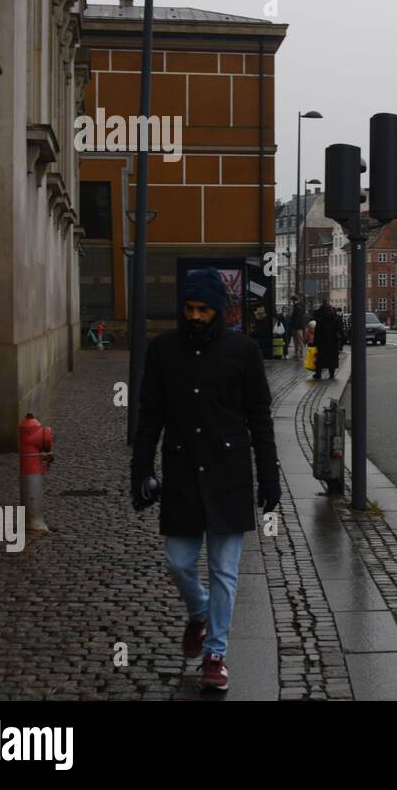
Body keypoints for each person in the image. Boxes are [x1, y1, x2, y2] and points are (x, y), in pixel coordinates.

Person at [130, 268, 281, 692]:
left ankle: (215, 653)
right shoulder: (163, 351)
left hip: (229, 474)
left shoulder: (244, 351)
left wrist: (269, 478)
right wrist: (141, 470)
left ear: (219, 310)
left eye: (203, 309)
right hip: (181, 473)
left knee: (224, 571)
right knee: (177, 561)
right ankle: (198, 612)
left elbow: (259, 418)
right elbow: (149, 417)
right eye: (189, 308)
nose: (194, 316)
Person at [313, 302, 345, 381]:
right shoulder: (336, 319)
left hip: (322, 343)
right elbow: (341, 331)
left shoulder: (320, 320)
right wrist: (342, 341)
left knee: (320, 359)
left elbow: (317, 332)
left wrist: (314, 343)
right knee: (332, 360)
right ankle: (331, 374)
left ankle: (318, 374)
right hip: (333, 342)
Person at [287, 295, 306, 362]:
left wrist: (294, 327)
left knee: (299, 341)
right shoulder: (297, 306)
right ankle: (297, 354)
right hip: (297, 327)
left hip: (297, 327)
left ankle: (300, 354)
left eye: (292, 300)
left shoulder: (298, 307)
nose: (292, 302)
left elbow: (297, 318)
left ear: (294, 300)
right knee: (296, 341)